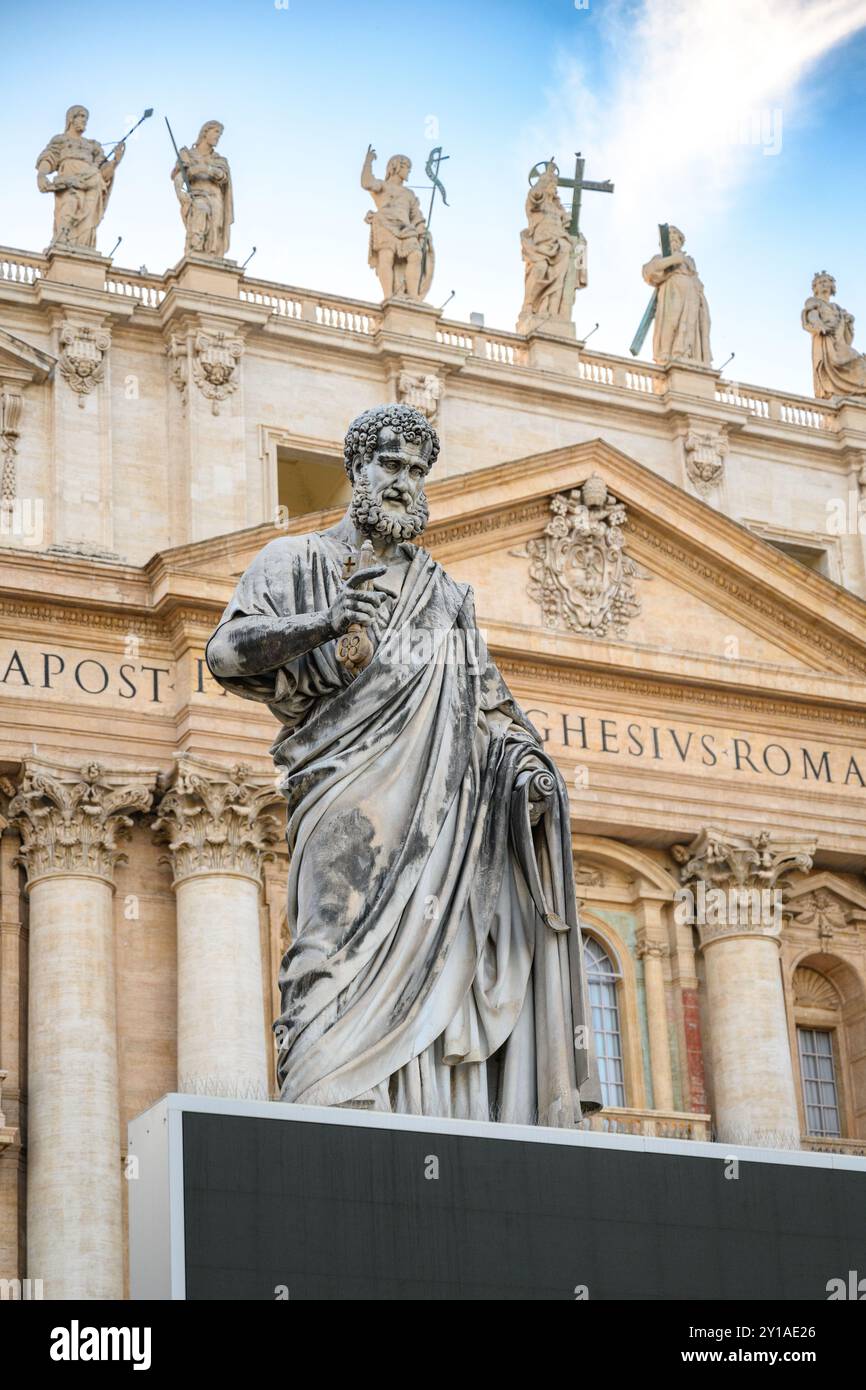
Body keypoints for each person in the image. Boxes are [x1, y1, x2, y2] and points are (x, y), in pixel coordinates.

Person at [206, 403, 602, 1126]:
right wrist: (322, 623)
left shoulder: (446, 599)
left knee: (437, 945)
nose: (404, 482)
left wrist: (526, 773)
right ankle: (328, 1101)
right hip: (343, 795)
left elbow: (489, 711)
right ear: (355, 468)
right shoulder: (298, 562)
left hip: (440, 822)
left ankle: (420, 1111)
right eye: (391, 465)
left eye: (417, 471)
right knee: (325, 952)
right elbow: (226, 655)